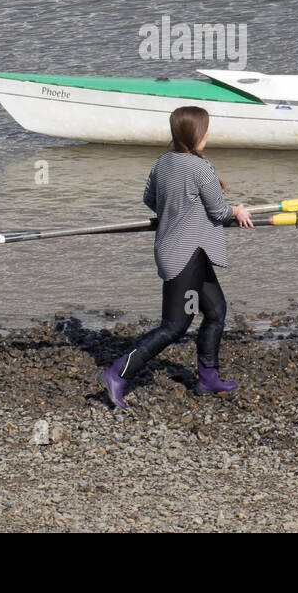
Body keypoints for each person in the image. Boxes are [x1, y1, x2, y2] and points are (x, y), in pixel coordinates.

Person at [100, 106, 254, 409]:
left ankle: (208, 377)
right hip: (186, 256)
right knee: (174, 326)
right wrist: (238, 211)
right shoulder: (201, 168)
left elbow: (149, 199)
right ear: (197, 135)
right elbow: (219, 212)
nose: (208, 134)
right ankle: (118, 373)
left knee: (216, 311)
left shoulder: (162, 163)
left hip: (184, 251)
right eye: (206, 130)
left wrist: (175, 210)